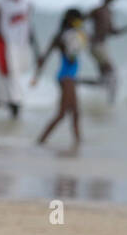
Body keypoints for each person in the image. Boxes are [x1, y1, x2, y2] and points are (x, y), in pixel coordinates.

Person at [32, 8, 88, 148]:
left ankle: (78, 141)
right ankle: (40, 140)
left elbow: (44, 58)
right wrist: (36, 77)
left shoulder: (73, 35)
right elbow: (66, 58)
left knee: (75, 112)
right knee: (62, 113)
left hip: (70, 77)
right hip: (66, 77)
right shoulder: (63, 37)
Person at [88, 0, 127, 105]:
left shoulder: (109, 12)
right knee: (113, 76)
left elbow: (113, 32)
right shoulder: (97, 11)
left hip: (102, 46)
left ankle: (78, 85)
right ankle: (110, 103)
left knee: (105, 79)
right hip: (96, 46)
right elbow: (79, 21)